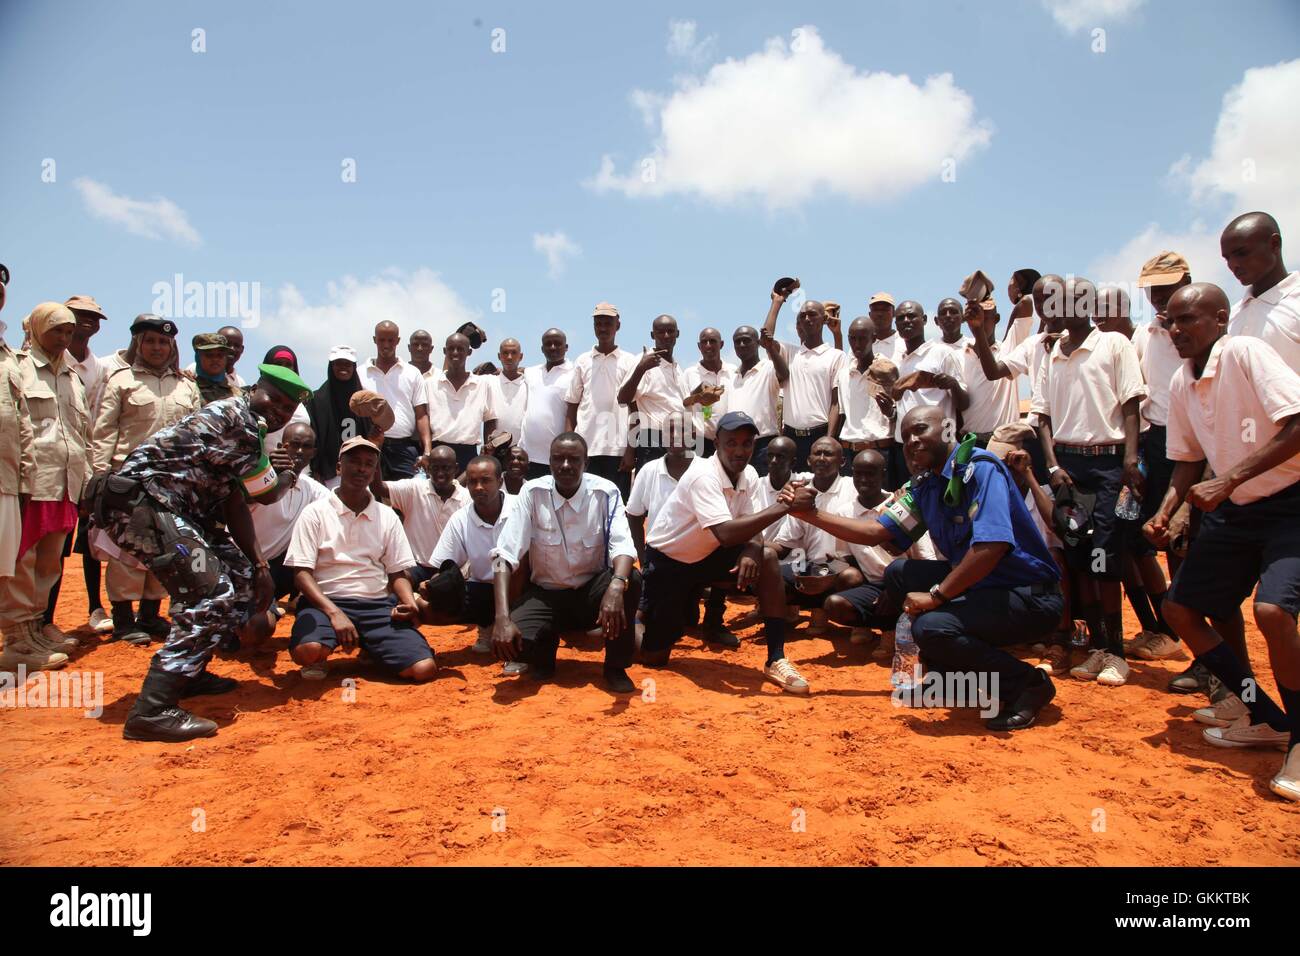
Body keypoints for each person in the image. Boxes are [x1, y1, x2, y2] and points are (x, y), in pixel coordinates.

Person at [783, 405, 1065, 730]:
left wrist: (937, 596)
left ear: (947, 428)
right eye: (905, 437)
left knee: (931, 627)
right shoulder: (926, 485)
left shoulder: (981, 469)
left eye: (920, 430)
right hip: (988, 585)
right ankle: (944, 680)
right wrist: (810, 514)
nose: (912, 441)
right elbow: (876, 532)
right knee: (899, 573)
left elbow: (991, 547)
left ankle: (1027, 684)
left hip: (1029, 595)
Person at [93, 363, 311, 742]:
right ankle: (152, 709)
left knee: (241, 579)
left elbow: (234, 503)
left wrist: (258, 565)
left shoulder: (250, 427)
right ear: (255, 388)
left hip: (176, 512)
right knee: (211, 592)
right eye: (273, 399)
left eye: (287, 409)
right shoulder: (237, 421)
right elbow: (266, 492)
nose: (278, 411)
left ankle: (189, 672)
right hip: (144, 506)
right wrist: (290, 476)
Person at [1145, 282, 1300, 803]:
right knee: (1182, 609)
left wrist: (1229, 479)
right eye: (1170, 321)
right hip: (1236, 510)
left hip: (1290, 502)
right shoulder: (1181, 382)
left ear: (1220, 318)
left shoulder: (1247, 353)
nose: (1176, 329)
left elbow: (1297, 424)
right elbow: (1186, 459)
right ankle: (1262, 713)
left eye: (1188, 319)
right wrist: (1167, 511)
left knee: (1274, 613)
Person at [640, 411, 809, 694]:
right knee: (654, 656)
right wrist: (783, 506)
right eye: (731, 442)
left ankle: (776, 657)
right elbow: (726, 533)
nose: (740, 451)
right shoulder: (702, 476)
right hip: (670, 562)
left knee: (766, 557)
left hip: (708, 555)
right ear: (716, 442)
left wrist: (753, 550)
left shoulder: (750, 474)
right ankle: (637, 619)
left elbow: (751, 527)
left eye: (746, 443)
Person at [1033, 277, 1146, 688]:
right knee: (1079, 555)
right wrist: (1050, 465)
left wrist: (1131, 460)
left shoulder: (1114, 345)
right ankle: (1097, 646)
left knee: (1106, 557)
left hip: (1108, 463)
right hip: (1067, 466)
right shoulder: (1052, 354)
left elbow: (1131, 403)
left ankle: (1116, 653)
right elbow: (1041, 416)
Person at [489, 432, 641, 693]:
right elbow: (504, 556)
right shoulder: (532, 493)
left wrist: (616, 585)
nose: (566, 466)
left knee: (631, 580)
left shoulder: (606, 492)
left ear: (586, 463)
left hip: (591, 593)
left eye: (574, 459)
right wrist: (501, 618)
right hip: (545, 595)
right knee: (511, 647)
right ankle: (544, 652)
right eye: (558, 459)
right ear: (549, 463)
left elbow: (623, 545)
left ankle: (615, 667)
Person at [286, 437, 437, 683]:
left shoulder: (387, 516)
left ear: (375, 471)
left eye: (369, 464)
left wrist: (409, 602)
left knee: (423, 669)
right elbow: (301, 574)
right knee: (309, 652)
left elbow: (397, 573)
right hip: (325, 603)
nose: (362, 469)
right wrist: (334, 613)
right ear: (338, 467)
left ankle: (372, 648)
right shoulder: (315, 513)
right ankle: (326, 650)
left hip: (376, 605)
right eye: (354, 462)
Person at [91, 315, 202, 645]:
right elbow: (104, 432)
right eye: (150, 341)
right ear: (138, 344)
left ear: (172, 346)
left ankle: (152, 616)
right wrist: (99, 478)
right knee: (127, 551)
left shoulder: (186, 385)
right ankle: (124, 619)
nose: (157, 347)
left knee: (167, 548)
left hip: (173, 483)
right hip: (129, 481)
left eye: (163, 342)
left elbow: (196, 436)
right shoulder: (120, 381)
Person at [0, 303, 90, 670]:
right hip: (32, 481)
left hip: (65, 483)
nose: (65, 339)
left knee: (50, 563)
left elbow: (81, 431)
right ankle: (16, 639)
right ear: (37, 330)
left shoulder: (71, 375)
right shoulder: (19, 367)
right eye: (57, 331)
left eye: (68, 333)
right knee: (24, 560)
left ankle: (36, 627)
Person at [1094, 285, 1181, 662]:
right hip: (1135, 456)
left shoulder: (1145, 340)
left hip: (1154, 453)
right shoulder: (1110, 347)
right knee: (1127, 543)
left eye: (1105, 312)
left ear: (1125, 311)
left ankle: (1170, 630)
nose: (1098, 319)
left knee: (1152, 545)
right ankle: (1153, 627)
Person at [820, 449, 936, 652]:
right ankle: (865, 626)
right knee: (834, 603)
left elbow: (925, 560)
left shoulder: (902, 506)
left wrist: (895, 589)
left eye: (871, 473)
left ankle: (895, 631)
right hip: (873, 586)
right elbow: (846, 559)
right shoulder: (845, 512)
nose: (864, 480)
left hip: (904, 582)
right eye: (859, 473)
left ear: (883, 474)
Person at [242, 421, 331, 646]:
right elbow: (242, 500)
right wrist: (270, 476)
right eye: (294, 445)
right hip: (242, 565)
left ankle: (300, 603)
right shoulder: (260, 477)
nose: (299, 451)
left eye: (307, 446)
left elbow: (339, 511)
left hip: (276, 571)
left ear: (314, 453)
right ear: (282, 446)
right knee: (256, 629)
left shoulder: (313, 490)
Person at [416, 454, 515, 653]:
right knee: (428, 604)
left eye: (485, 480)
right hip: (482, 589)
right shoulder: (460, 519)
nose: (478, 487)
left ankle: (515, 625)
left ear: (500, 481)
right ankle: (486, 625)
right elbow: (443, 566)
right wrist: (433, 587)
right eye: (472, 482)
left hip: (519, 587)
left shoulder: (521, 507)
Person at [771, 437, 864, 635]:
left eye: (828, 454)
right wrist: (755, 549)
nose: (821, 458)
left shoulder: (854, 488)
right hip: (813, 568)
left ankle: (861, 624)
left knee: (851, 577)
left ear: (842, 461)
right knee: (769, 572)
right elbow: (785, 544)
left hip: (847, 565)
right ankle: (805, 611)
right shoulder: (801, 492)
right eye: (817, 453)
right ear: (808, 460)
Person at [60, 294, 114, 635]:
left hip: (90, 459)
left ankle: (96, 605)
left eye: (94, 318)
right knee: (52, 541)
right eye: (81, 316)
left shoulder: (102, 368)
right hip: (57, 460)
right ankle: (38, 620)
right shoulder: (51, 359)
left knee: (91, 534)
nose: (88, 322)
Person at [760, 289, 846, 471]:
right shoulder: (789, 353)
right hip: (790, 436)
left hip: (820, 435)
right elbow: (766, 339)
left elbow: (836, 402)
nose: (807, 318)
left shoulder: (836, 356)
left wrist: (829, 439)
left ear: (824, 320)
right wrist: (777, 302)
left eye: (813, 314)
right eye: (803, 315)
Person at [891, 300, 967, 488]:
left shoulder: (942, 353)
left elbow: (964, 403)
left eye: (912, 316)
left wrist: (953, 385)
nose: (906, 321)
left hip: (938, 447)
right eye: (901, 318)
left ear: (924, 320)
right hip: (906, 448)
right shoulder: (898, 360)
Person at [565, 303, 636, 498]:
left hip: (618, 450)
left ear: (618, 326)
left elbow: (635, 409)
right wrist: (569, 446)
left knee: (617, 509)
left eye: (608, 323)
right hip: (586, 449)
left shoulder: (630, 361)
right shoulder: (582, 360)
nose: (603, 328)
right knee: (585, 509)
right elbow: (572, 406)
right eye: (599, 323)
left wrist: (631, 450)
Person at [0, 272, 36, 645]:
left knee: (7, 565)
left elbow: (21, 421)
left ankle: (19, 639)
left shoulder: (10, 357)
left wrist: (25, 477)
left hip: (7, 475)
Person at [383, 444, 470, 587]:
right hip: (415, 565)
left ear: (456, 468)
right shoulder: (414, 488)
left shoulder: (468, 499)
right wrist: (377, 446)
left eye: (446, 468)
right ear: (428, 469)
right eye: (435, 468)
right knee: (397, 581)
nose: (440, 473)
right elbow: (378, 488)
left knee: (441, 592)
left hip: (449, 570)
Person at [1222, 211, 1300, 370]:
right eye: (1227, 258)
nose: (1233, 265)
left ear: (1274, 244)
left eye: (1242, 253)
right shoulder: (1230, 318)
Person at [617, 315, 691, 469]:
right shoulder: (644, 362)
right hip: (653, 439)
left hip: (678, 440)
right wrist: (641, 369)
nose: (666, 336)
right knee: (651, 490)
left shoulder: (677, 367)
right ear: (652, 335)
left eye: (670, 331)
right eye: (660, 332)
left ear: (677, 334)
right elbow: (623, 399)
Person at [360, 320, 431, 480]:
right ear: (374, 340)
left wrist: (427, 451)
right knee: (370, 497)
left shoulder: (412, 373)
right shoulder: (361, 373)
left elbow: (421, 414)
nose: (386, 345)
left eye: (391, 340)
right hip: (370, 445)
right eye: (381, 340)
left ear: (398, 341)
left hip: (403, 448)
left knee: (406, 501)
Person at [425, 332, 497, 472]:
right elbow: (423, 419)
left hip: (468, 454)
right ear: (445, 351)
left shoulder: (482, 384)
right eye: (451, 348)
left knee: (466, 494)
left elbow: (490, 421)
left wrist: (488, 453)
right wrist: (427, 451)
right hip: (437, 453)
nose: (455, 352)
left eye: (460, 349)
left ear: (469, 352)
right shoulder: (430, 384)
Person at [833, 317, 895, 480]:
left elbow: (896, 413)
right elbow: (841, 414)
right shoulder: (844, 375)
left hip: (878, 452)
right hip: (848, 453)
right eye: (852, 338)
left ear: (873, 338)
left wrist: (891, 413)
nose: (857, 344)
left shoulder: (887, 372)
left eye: (862, 338)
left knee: (881, 505)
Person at [305, 345, 373, 488]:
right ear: (331, 366)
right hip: (328, 475)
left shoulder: (364, 399)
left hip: (360, 472)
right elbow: (314, 436)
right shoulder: (317, 399)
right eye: (338, 363)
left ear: (354, 367)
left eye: (347, 364)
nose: (343, 368)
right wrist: (316, 470)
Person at [954, 300, 1020, 443]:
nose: (979, 322)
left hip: (1003, 441)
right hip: (969, 441)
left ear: (996, 319)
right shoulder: (957, 356)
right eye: (974, 317)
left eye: (985, 318)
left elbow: (1026, 303)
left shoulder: (1009, 351)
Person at [727, 324, 789, 474]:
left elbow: (784, 375)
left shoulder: (768, 367)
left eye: (746, 340)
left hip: (763, 445)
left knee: (764, 493)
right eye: (737, 341)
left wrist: (771, 349)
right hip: (736, 447)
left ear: (757, 343)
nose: (742, 345)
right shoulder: (732, 376)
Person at [519, 329, 574, 479]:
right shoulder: (530, 372)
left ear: (566, 347)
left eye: (558, 344)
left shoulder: (575, 373)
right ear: (542, 348)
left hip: (556, 457)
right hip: (527, 455)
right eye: (548, 344)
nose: (553, 347)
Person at [684, 327, 736, 458]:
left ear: (721, 344)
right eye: (704, 342)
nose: (708, 346)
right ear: (699, 346)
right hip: (700, 442)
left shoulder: (733, 371)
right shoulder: (690, 374)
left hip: (729, 441)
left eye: (713, 341)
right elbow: (683, 404)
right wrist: (698, 396)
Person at [260, 344, 311, 449]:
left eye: (288, 365)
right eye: (278, 364)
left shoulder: (303, 400)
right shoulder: (259, 396)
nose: (283, 369)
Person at [483, 337, 527, 455]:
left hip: (522, 451)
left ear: (521, 356)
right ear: (499, 356)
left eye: (514, 353)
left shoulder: (529, 383)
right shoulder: (488, 382)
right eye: (505, 353)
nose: (509, 357)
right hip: (494, 450)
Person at [868, 293, 902, 363]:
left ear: (894, 313)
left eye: (885, 310)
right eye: (875, 310)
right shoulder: (861, 343)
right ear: (869, 314)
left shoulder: (904, 342)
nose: (880, 314)